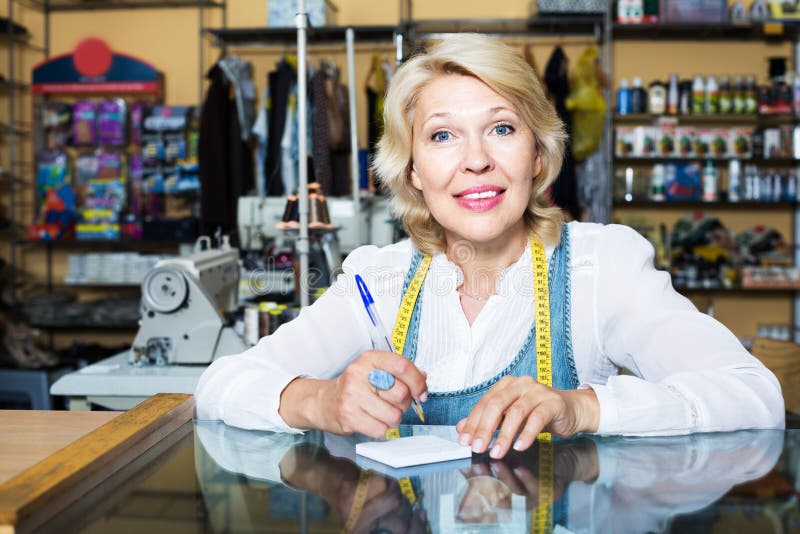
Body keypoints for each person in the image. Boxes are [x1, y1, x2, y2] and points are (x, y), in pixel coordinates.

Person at [195, 34, 784, 459]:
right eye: (442, 135)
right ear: (414, 169)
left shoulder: (600, 267)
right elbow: (219, 386)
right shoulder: (379, 280)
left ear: (538, 154)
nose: (476, 160)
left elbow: (755, 396)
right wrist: (320, 401)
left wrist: (582, 408)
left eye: (502, 128)